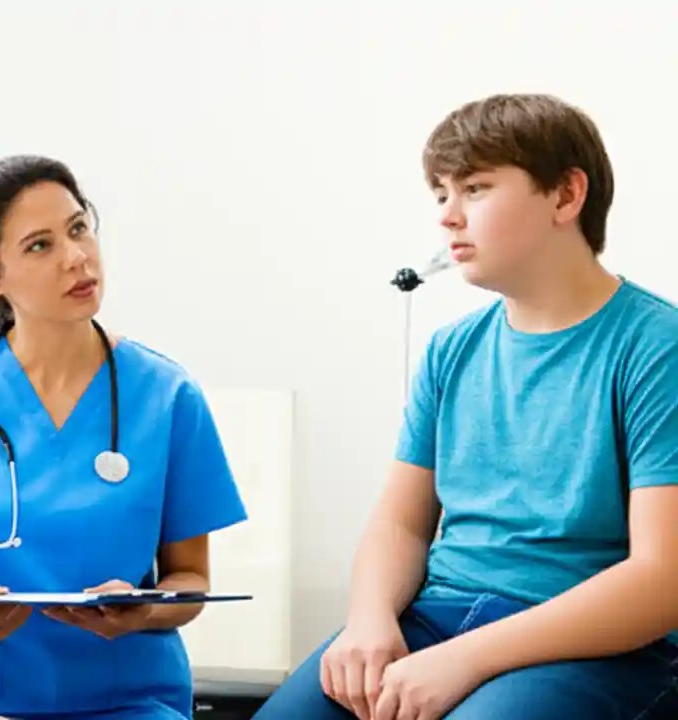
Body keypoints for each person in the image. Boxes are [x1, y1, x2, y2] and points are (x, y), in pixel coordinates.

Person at [255, 94, 678, 719]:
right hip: (439, 616)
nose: (448, 218)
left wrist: (467, 659)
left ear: (565, 196)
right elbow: (400, 524)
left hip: (587, 645)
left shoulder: (654, 349)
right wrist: (368, 623)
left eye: (475, 189)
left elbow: (659, 579)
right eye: (440, 195)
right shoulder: (451, 351)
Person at [0, 154, 249, 719]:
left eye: (78, 228)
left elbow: (191, 579)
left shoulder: (166, 395)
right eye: (40, 246)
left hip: (127, 696)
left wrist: (145, 609)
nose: (76, 258)